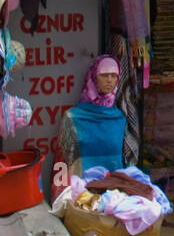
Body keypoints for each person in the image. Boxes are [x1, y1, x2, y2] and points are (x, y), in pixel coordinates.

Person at [53, 55, 127, 190]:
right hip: (80, 192)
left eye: (114, 75)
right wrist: (61, 194)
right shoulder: (73, 118)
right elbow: (62, 161)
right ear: (93, 76)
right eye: (104, 75)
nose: (109, 80)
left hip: (114, 194)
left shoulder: (119, 119)